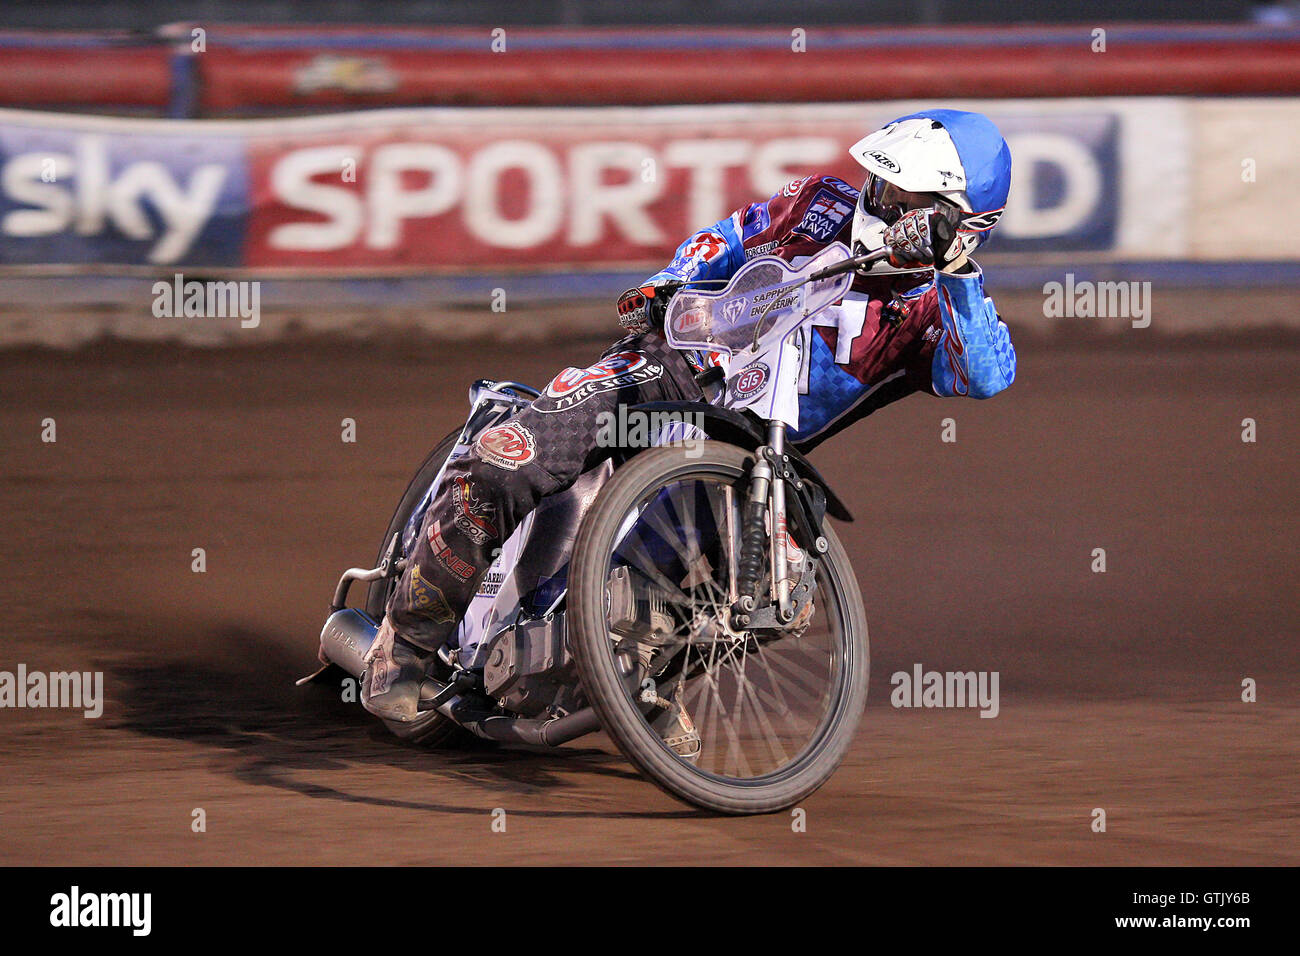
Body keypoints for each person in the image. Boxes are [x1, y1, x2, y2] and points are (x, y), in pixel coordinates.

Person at [360, 108, 1017, 724]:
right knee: (514, 457)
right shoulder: (821, 201)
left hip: (742, 457)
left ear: (960, 223)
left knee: (784, 595)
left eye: (902, 197)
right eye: (881, 182)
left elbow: (987, 375)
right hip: (671, 370)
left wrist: (954, 268)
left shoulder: (942, 310)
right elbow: (727, 236)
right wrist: (666, 285)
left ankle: (628, 678)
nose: (878, 198)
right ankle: (406, 645)